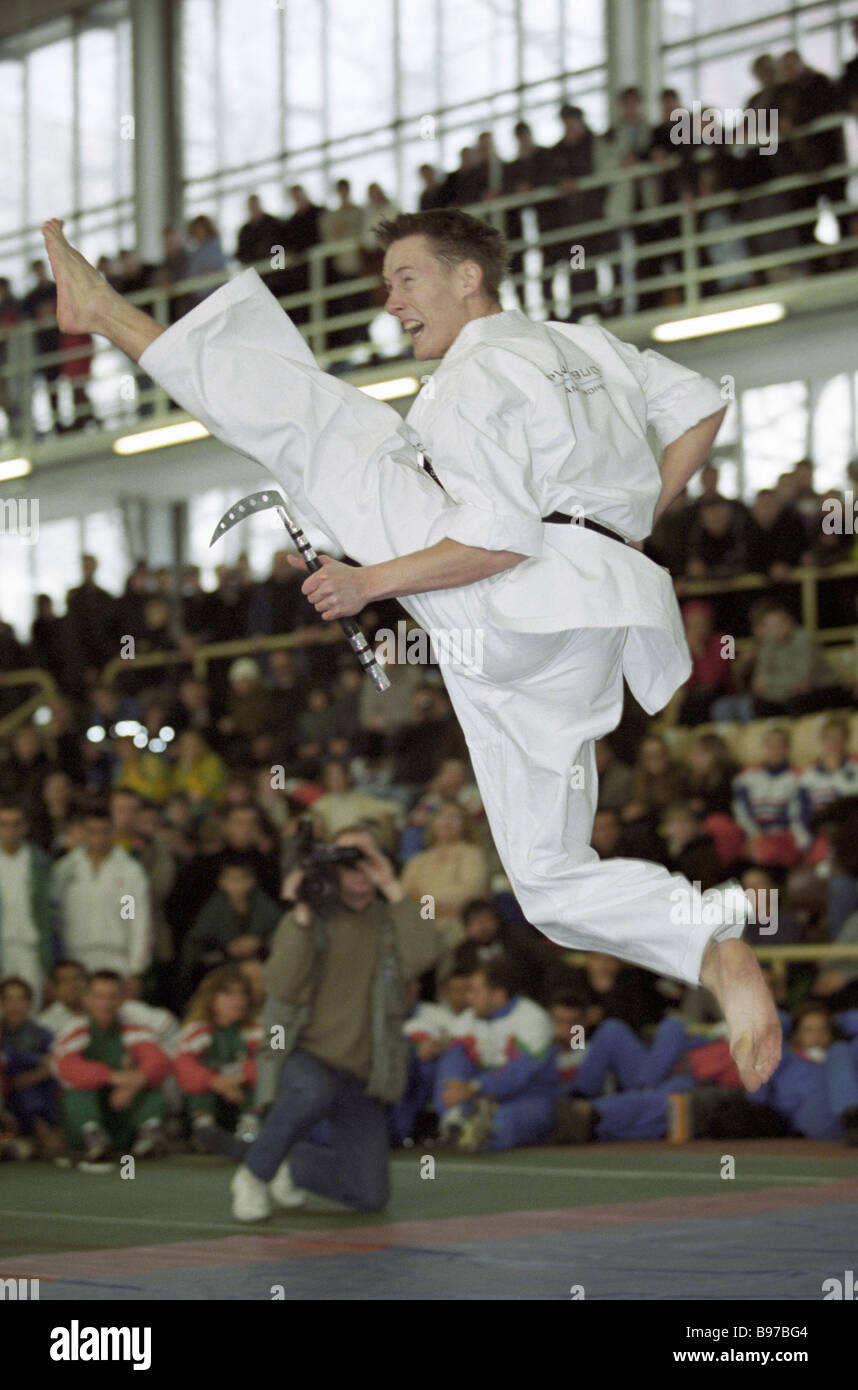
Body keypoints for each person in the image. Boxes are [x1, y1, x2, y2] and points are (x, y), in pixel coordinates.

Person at [40, 210, 782, 1091]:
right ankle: (710, 942)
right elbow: (701, 406)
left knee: (315, 427)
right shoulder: (585, 346)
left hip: (508, 603)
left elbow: (499, 541)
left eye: (405, 279)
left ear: (469, 276)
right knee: (546, 879)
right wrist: (628, 524)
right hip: (598, 622)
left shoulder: (468, 382)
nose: (391, 302)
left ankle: (111, 313)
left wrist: (366, 582)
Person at [229, 827, 442, 1219]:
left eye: (366, 859)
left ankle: (284, 1164)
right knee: (313, 1089)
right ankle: (253, 1175)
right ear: (329, 869)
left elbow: (426, 955)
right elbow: (280, 986)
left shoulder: (389, 920)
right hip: (305, 1056)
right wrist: (303, 915)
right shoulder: (313, 919)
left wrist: (391, 884)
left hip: (362, 1074)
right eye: (346, 862)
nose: (358, 870)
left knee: (369, 1194)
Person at [434, 959, 556, 1153]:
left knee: (504, 1124)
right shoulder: (467, 1020)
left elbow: (517, 1075)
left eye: (475, 991)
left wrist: (475, 1087)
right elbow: (449, 1071)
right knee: (453, 1057)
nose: (468, 997)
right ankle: (454, 1120)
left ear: (498, 995)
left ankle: (477, 1131)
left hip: (527, 1100)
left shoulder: (533, 1019)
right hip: (477, 1099)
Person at [52, 969, 171, 1159]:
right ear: (87, 999)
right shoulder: (74, 1029)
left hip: (122, 1107)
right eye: (99, 997)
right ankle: (93, 1136)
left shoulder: (133, 1027)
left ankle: (150, 1134)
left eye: (112, 997)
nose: (106, 1004)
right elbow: (68, 1067)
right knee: (76, 1089)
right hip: (88, 1112)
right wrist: (112, 1077)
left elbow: (157, 1060)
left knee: (151, 1084)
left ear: (122, 1000)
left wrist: (135, 1083)